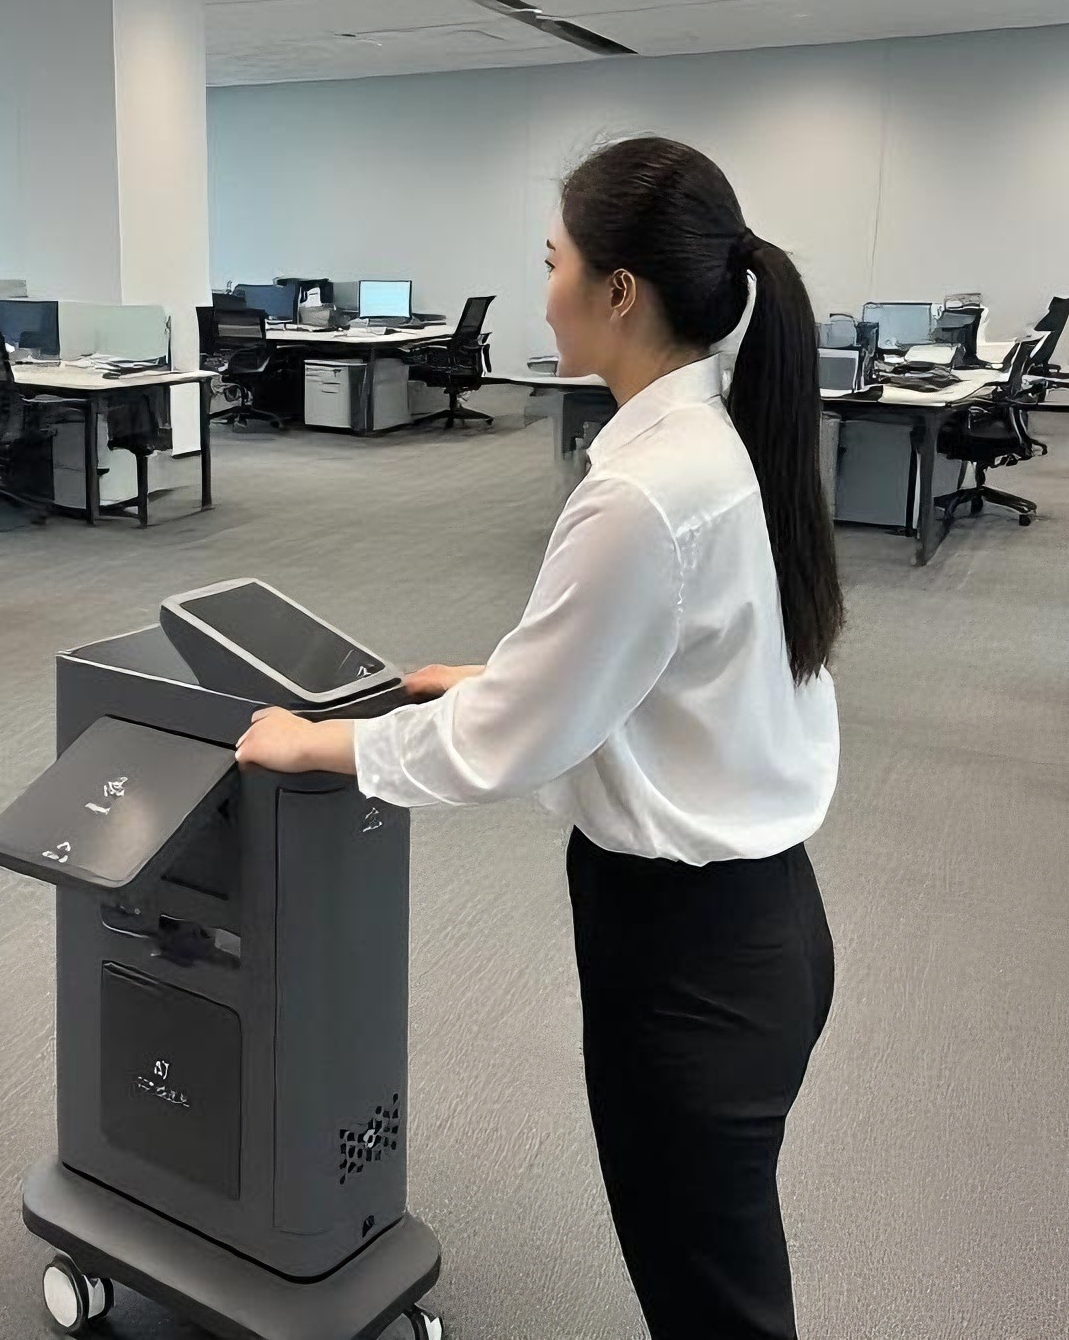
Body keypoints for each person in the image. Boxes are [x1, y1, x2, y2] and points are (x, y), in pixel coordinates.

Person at [236, 136, 843, 1339]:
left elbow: (501, 746)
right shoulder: (712, 447)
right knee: (710, 1272)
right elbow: (680, 665)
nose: (544, 289)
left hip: (688, 961)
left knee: (713, 1303)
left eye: (553, 261)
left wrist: (322, 749)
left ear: (618, 291)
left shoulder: (639, 495)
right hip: (755, 925)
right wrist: (506, 675)